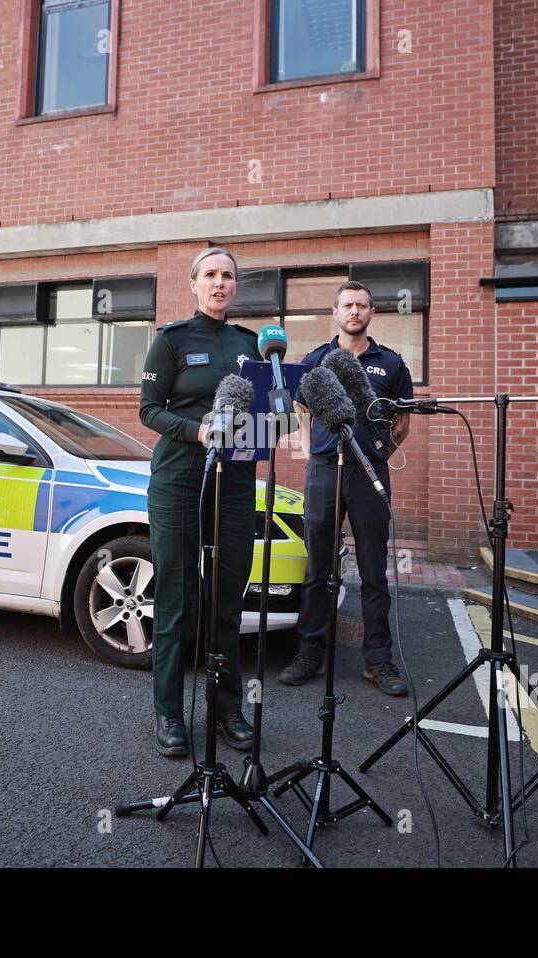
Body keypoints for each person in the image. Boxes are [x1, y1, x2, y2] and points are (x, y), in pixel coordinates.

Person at [139, 247, 259, 757]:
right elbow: (148, 410)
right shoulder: (171, 341)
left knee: (227, 600)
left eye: (228, 276)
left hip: (235, 482)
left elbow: (266, 412)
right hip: (180, 480)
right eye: (210, 274)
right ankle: (169, 712)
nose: (219, 283)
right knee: (178, 599)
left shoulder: (252, 346)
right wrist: (197, 429)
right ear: (193, 284)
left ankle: (227, 706)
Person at [278, 281, 414, 696]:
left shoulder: (390, 364)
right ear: (334, 313)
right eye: (347, 305)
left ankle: (378, 658)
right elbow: (300, 406)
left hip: (368, 472)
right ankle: (310, 652)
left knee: (374, 569)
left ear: (372, 312)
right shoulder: (317, 360)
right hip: (323, 470)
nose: (354, 311)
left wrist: (379, 453)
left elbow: (403, 422)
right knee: (318, 567)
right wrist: (307, 446)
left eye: (361, 305)